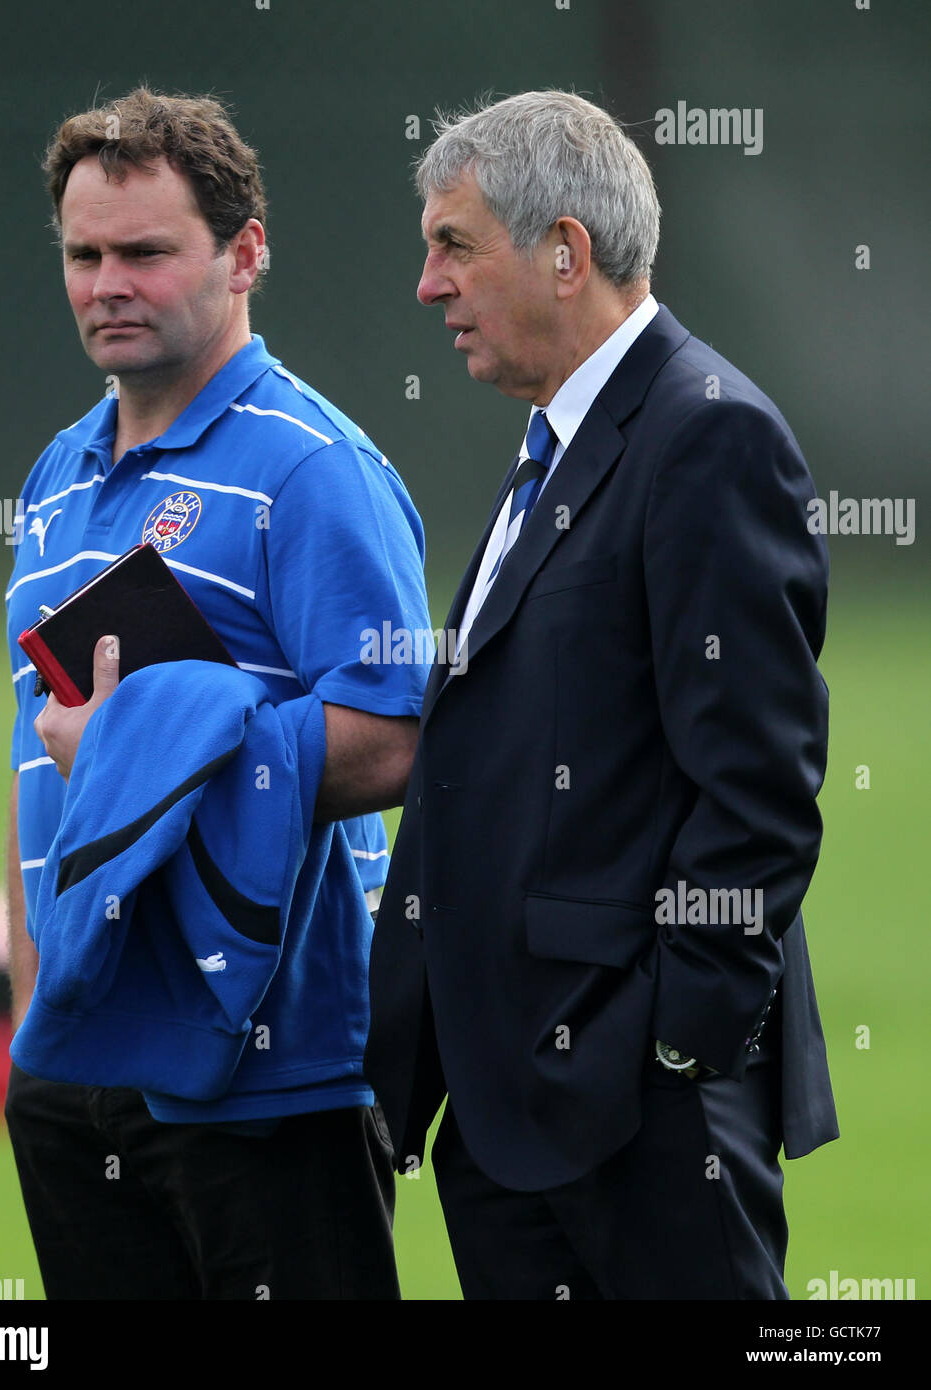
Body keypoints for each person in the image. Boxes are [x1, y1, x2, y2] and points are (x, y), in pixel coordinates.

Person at [364, 90, 838, 1300]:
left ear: (563, 251)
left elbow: (757, 789)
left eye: (453, 244)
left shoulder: (706, 436)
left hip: (637, 1122)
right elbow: (476, 767)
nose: (428, 284)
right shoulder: (555, 448)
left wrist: (674, 1049)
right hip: (506, 1112)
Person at [4, 87, 431, 1300]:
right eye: (83, 255)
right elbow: (41, 758)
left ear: (245, 254)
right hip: (78, 1062)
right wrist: (36, 1013)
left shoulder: (313, 467)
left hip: (267, 1063)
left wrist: (143, 746)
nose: (105, 284)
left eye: (144, 252)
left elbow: (395, 735)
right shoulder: (54, 476)